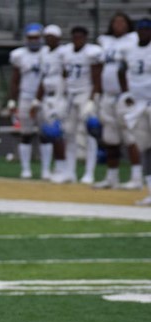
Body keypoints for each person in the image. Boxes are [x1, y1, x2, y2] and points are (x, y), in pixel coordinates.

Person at [95, 13, 142, 190]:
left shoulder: (133, 40)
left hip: (126, 96)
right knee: (110, 138)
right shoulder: (106, 41)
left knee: (131, 136)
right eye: (115, 21)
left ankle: (136, 177)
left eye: (122, 21)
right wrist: (97, 93)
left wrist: (129, 92)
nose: (118, 25)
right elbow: (100, 68)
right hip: (108, 95)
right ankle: (111, 177)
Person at [60, 26, 103, 185]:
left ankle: (89, 172)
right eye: (75, 36)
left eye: (80, 37)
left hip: (86, 93)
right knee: (69, 133)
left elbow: (97, 76)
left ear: (85, 38)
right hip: (70, 95)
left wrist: (93, 98)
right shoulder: (66, 52)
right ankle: (69, 172)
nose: (77, 39)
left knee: (89, 133)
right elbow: (65, 74)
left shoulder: (91, 52)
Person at [118, 17, 151, 205]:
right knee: (145, 148)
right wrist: (126, 92)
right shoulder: (130, 51)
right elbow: (120, 71)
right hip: (138, 104)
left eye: (148, 29)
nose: (144, 32)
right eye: (142, 29)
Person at [7, 23, 45, 180]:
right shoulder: (19, 55)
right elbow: (15, 79)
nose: (33, 41)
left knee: (47, 134)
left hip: (45, 97)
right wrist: (12, 99)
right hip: (25, 96)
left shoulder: (48, 53)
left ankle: (46, 170)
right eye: (31, 38)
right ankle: (26, 169)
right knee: (25, 133)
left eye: (36, 38)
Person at [38, 25, 69, 181]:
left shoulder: (64, 52)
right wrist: (36, 100)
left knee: (56, 133)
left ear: (58, 38)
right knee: (45, 134)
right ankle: (45, 169)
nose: (49, 39)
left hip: (59, 96)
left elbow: (67, 73)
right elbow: (42, 77)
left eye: (52, 36)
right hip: (46, 95)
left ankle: (61, 169)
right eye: (47, 36)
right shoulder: (43, 52)